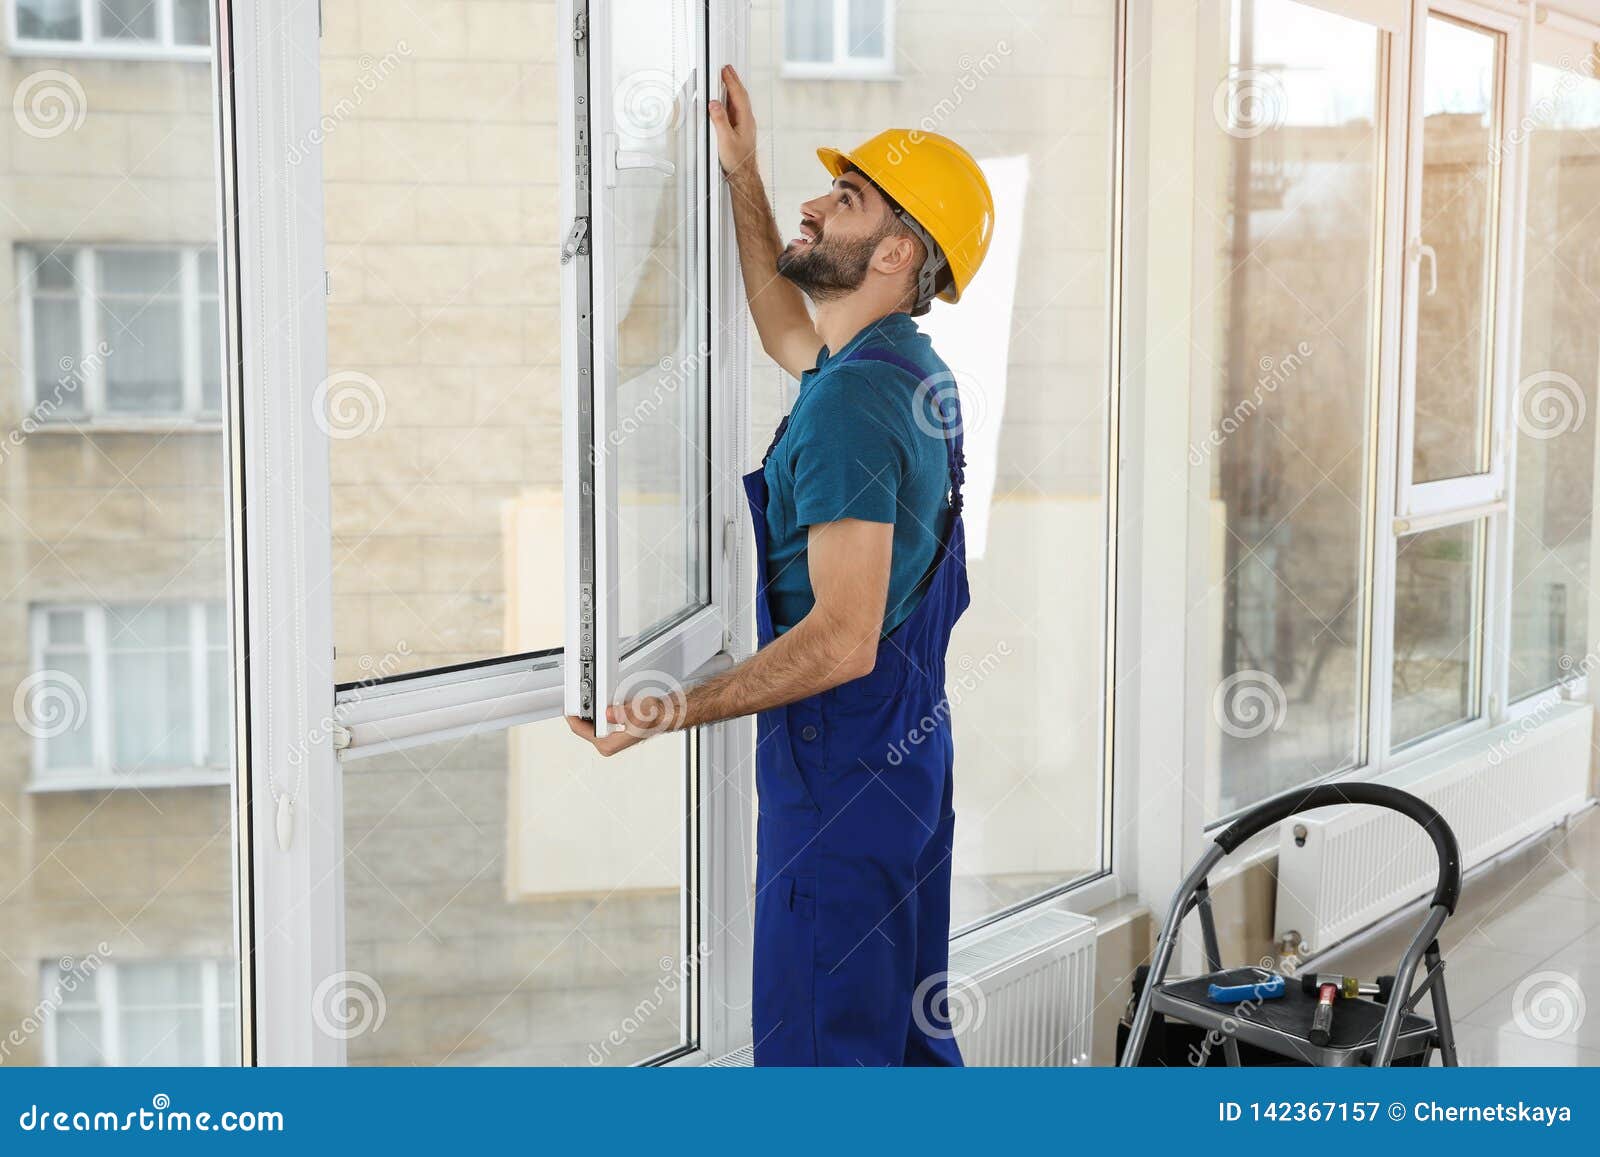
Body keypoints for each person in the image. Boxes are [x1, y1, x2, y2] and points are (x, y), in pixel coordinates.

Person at [568, 64, 994, 1067]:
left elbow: (841, 641)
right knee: (900, 1044)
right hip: (906, 765)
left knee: (819, 1060)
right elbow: (786, 328)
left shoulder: (855, 404)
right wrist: (743, 177)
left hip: (840, 777)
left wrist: (664, 708)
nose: (815, 205)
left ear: (895, 251)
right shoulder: (897, 370)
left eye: (843, 200)